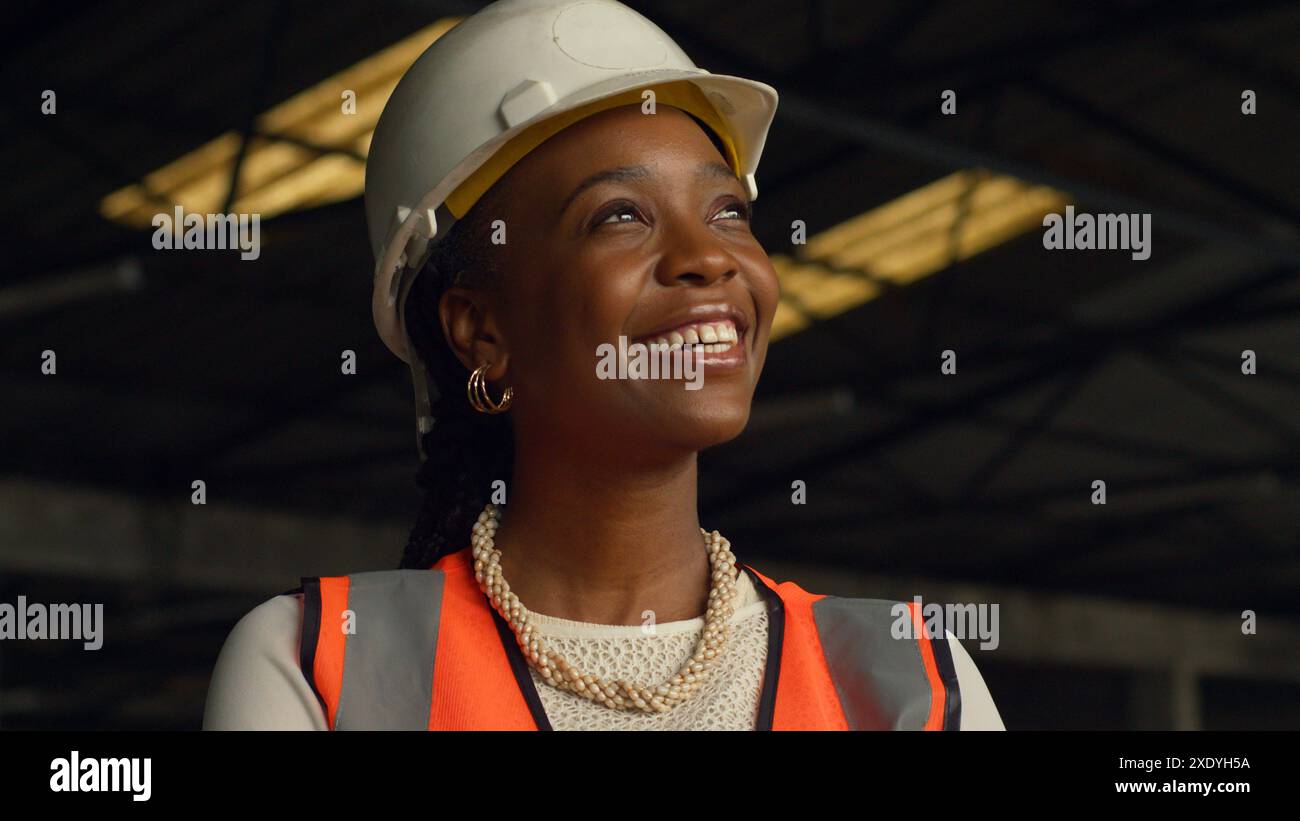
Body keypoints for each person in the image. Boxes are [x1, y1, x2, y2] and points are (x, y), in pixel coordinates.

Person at [203, 0, 1005, 731]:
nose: (708, 259)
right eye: (619, 215)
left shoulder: (915, 676)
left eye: (728, 211)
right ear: (482, 331)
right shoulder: (317, 666)